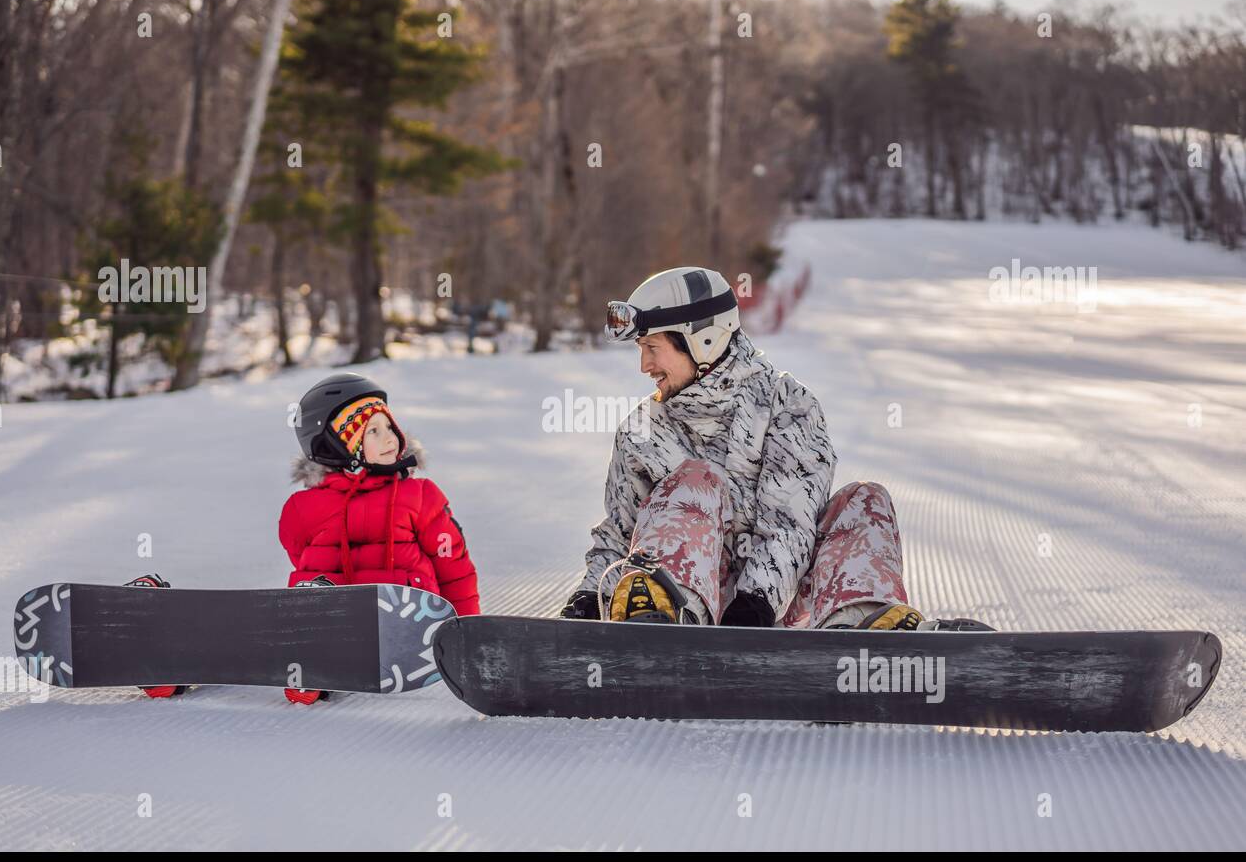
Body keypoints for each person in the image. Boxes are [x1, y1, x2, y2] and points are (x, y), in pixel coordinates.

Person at [560, 265, 974, 632]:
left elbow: (789, 523)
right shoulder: (641, 429)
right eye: (641, 350)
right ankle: (660, 618)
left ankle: (860, 628)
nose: (644, 366)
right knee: (695, 480)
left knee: (865, 500)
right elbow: (621, 529)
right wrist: (588, 595)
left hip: (775, 602)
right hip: (689, 597)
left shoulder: (786, 404)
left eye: (653, 349)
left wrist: (754, 604)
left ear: (701, 342)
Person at [134, 372, 479, 704]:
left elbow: (455, 568)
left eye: (389, 425)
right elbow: (302, 558)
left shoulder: (420, 495)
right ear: (337, 445)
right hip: (332, 625)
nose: (390, 437)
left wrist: (469, 634)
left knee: (315, 623)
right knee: (261, 630)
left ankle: (312, 661)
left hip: (408, 628)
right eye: (372, 431)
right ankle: (168, 651)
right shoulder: (303, 507)